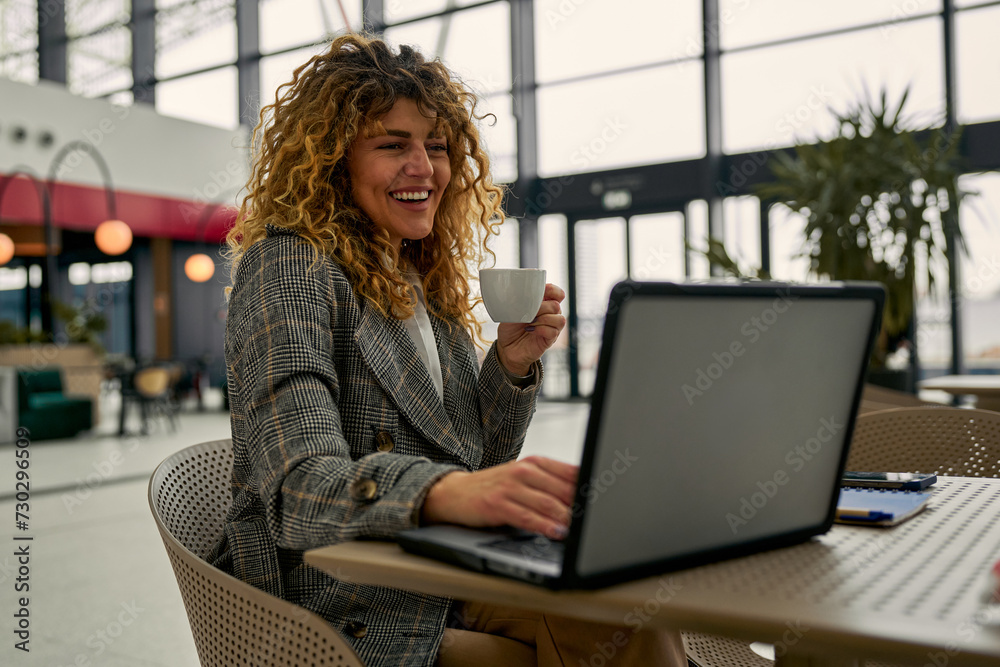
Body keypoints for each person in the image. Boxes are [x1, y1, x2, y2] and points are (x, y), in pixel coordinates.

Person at [210, 33, 686, 666]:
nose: (424, 167)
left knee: (629, 608)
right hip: (341, 604)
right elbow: (300, 490)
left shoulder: (418, 277)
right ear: (333, 161)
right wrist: (440, 495)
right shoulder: (290, 268)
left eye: (436, 147)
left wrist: (510, 364)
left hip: (436, 570)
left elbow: (477, 459)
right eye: (392, 145)